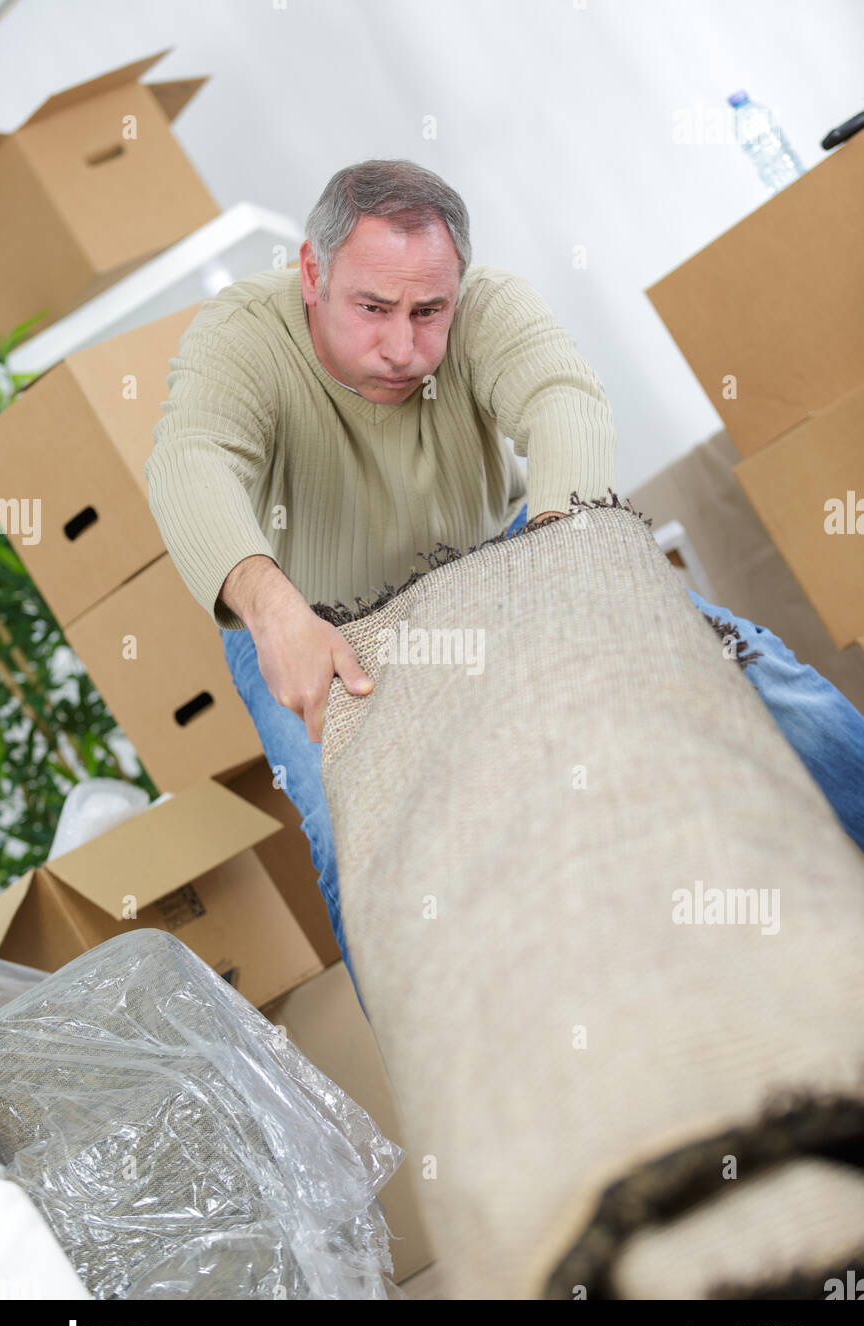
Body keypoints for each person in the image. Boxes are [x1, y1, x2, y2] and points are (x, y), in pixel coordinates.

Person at [144, 158, 864, 1001]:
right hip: (311, 610)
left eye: (429, 312)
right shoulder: (240, 334)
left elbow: (563, 398)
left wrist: (567, 556)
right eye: (372, 309)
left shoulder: (490, 305)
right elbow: (190, 463)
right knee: (359, 846)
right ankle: (459, 1096)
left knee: (748, 671)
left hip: (507, 549)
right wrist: (271, 610)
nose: (402, 347)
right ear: (312, 272)